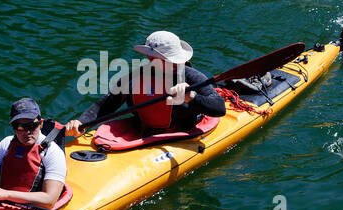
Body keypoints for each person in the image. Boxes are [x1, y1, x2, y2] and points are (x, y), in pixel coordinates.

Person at [65, 30, 226, 138]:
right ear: (150, 59)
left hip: (184, 134)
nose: (177, 64)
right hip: (146, 133)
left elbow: (219, 108)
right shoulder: (134, 78)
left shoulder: (192, 77)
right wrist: (81, 122)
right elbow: (105, 105)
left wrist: (191, 96)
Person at [0, 98, 67, 210]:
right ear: (13, 128)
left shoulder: (52, 152)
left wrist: (6, 194)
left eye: (32, 125)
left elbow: (49, 200)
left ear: (41, 123)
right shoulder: (6, 143)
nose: (27, 132)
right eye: (20, 127)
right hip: (1, 202)